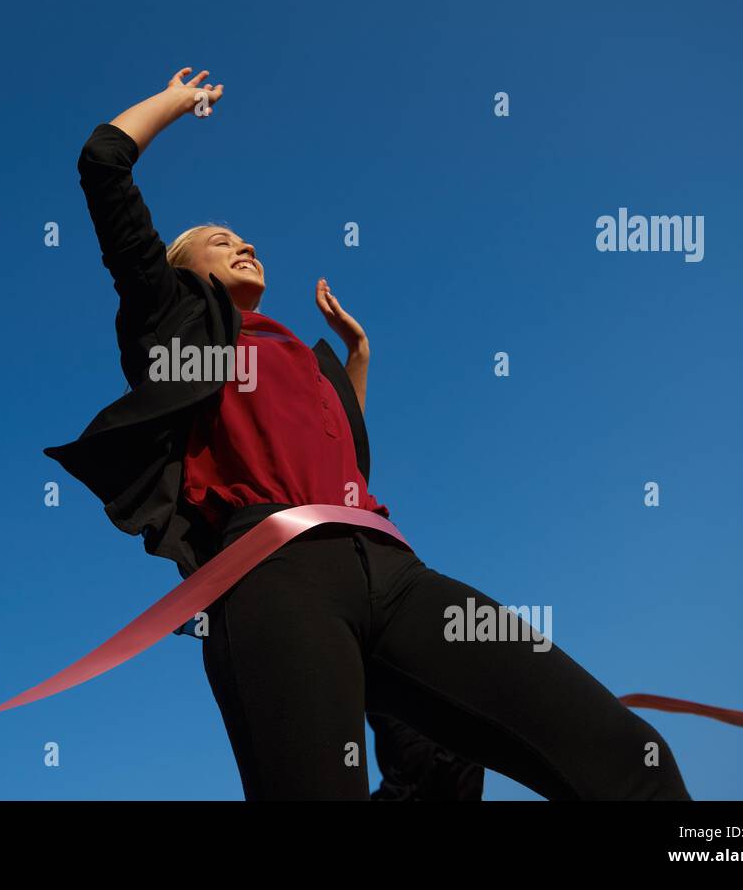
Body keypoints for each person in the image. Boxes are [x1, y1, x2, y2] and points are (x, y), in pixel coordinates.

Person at [44, 67, 692, 800]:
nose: (242, 242)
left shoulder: (298, 356)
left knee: (631, 759)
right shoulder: (180, 333)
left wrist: (356, 364)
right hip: (274, 579)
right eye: (219, 241)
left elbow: (340, 464)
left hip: (394, 573)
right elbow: (102, 163)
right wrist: (175, 101)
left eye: (244, 236)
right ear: (180, 271)